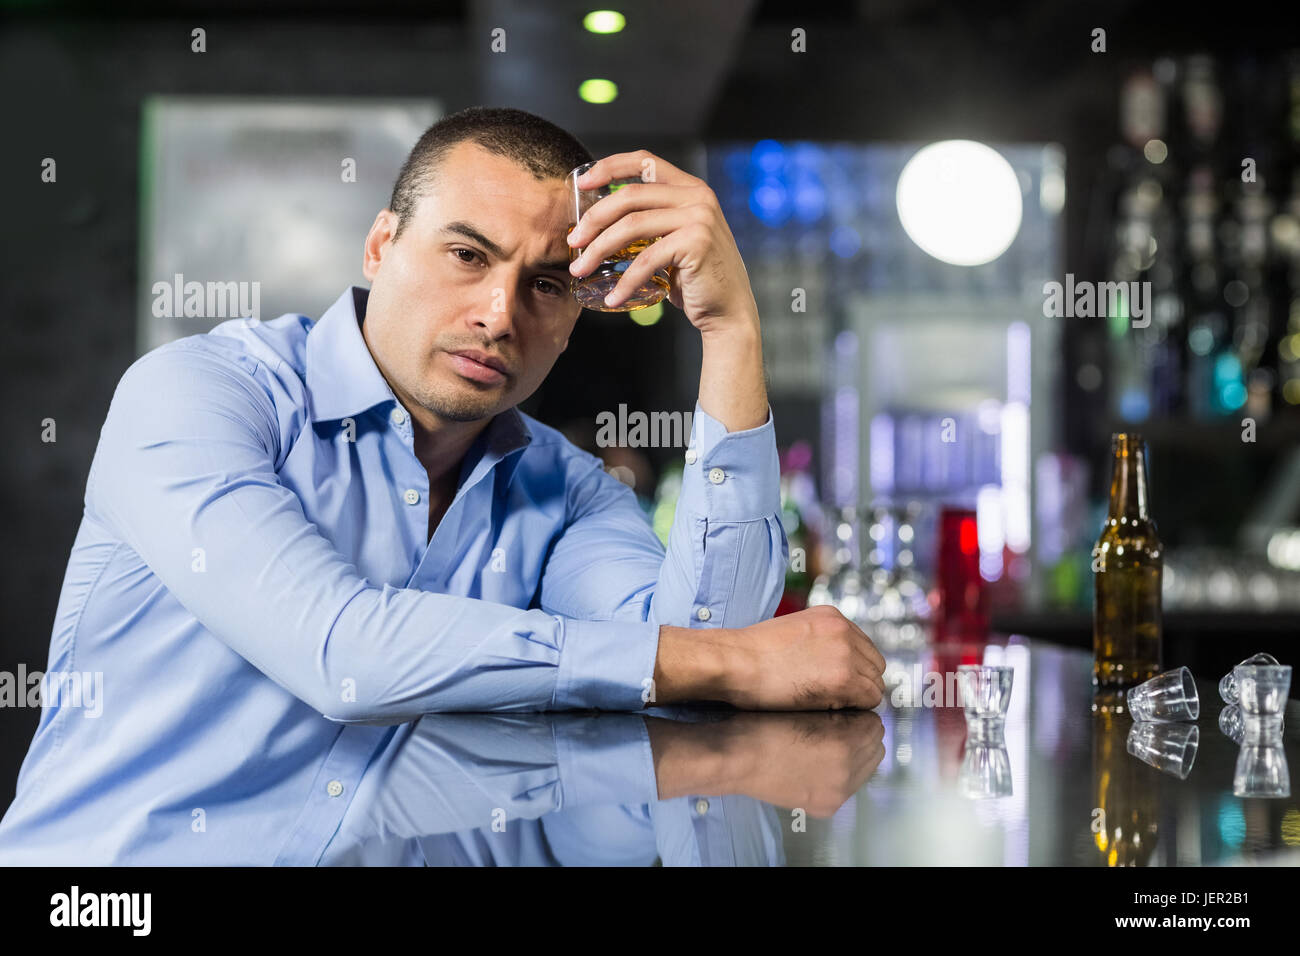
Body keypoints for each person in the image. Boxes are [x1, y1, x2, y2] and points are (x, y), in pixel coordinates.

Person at [0, 106, 885, 864]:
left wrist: (729, 330)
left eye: (545, 285)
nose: (500, 315)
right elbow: (343, 654)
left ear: (576, 319)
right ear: (383, 246)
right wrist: (730, 662)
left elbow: (710, 679)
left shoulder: (565, 489)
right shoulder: (199, 393)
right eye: (468, 255)